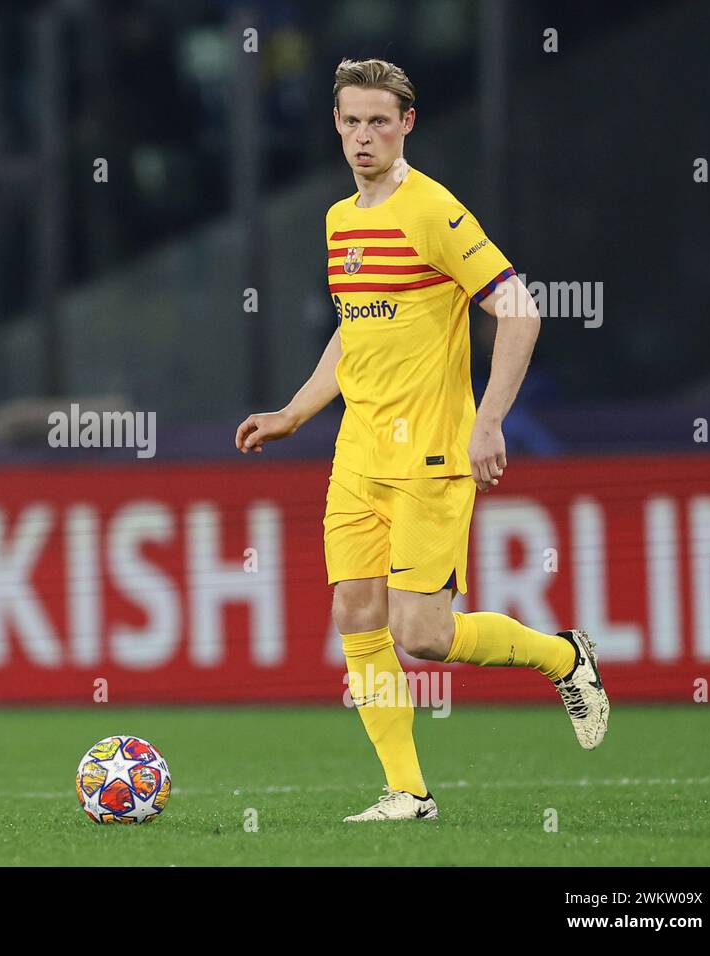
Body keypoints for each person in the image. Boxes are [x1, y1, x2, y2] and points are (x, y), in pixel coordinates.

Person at [234, 58, 607, 822]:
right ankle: (407, 792)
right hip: (359, 454)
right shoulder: (340, 219)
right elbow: (355, 330)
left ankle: (565, 656)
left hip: (432, 453)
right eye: (351, 121)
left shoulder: (435, 212)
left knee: (424, 636)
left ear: (407, 123)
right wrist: (296, 412)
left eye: (379, 120)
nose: (363, 135)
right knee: (356, 612)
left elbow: (520, 310)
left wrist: (490, 420)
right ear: (335, 126)